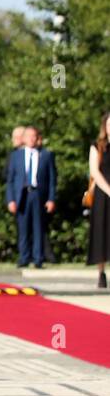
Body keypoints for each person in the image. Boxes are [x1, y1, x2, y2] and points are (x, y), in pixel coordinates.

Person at [6, 125, 56, 269]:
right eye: (28, 136)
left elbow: (52, 180)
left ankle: (38, 258)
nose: (31, 139)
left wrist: (51, 198)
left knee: (38, 227)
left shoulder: (46, 155)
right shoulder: (16, 156)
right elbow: (10, 180)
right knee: (23, 228)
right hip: (22, 195)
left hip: (38, 194)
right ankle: (24, 257)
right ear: (24, 138)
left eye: (34, 136)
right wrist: (10, 199)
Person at [87, 111, 110, 289]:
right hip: (103, 194)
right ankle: (101, 272)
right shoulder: (98, 146)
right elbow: (94, 171)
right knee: (101, 232)